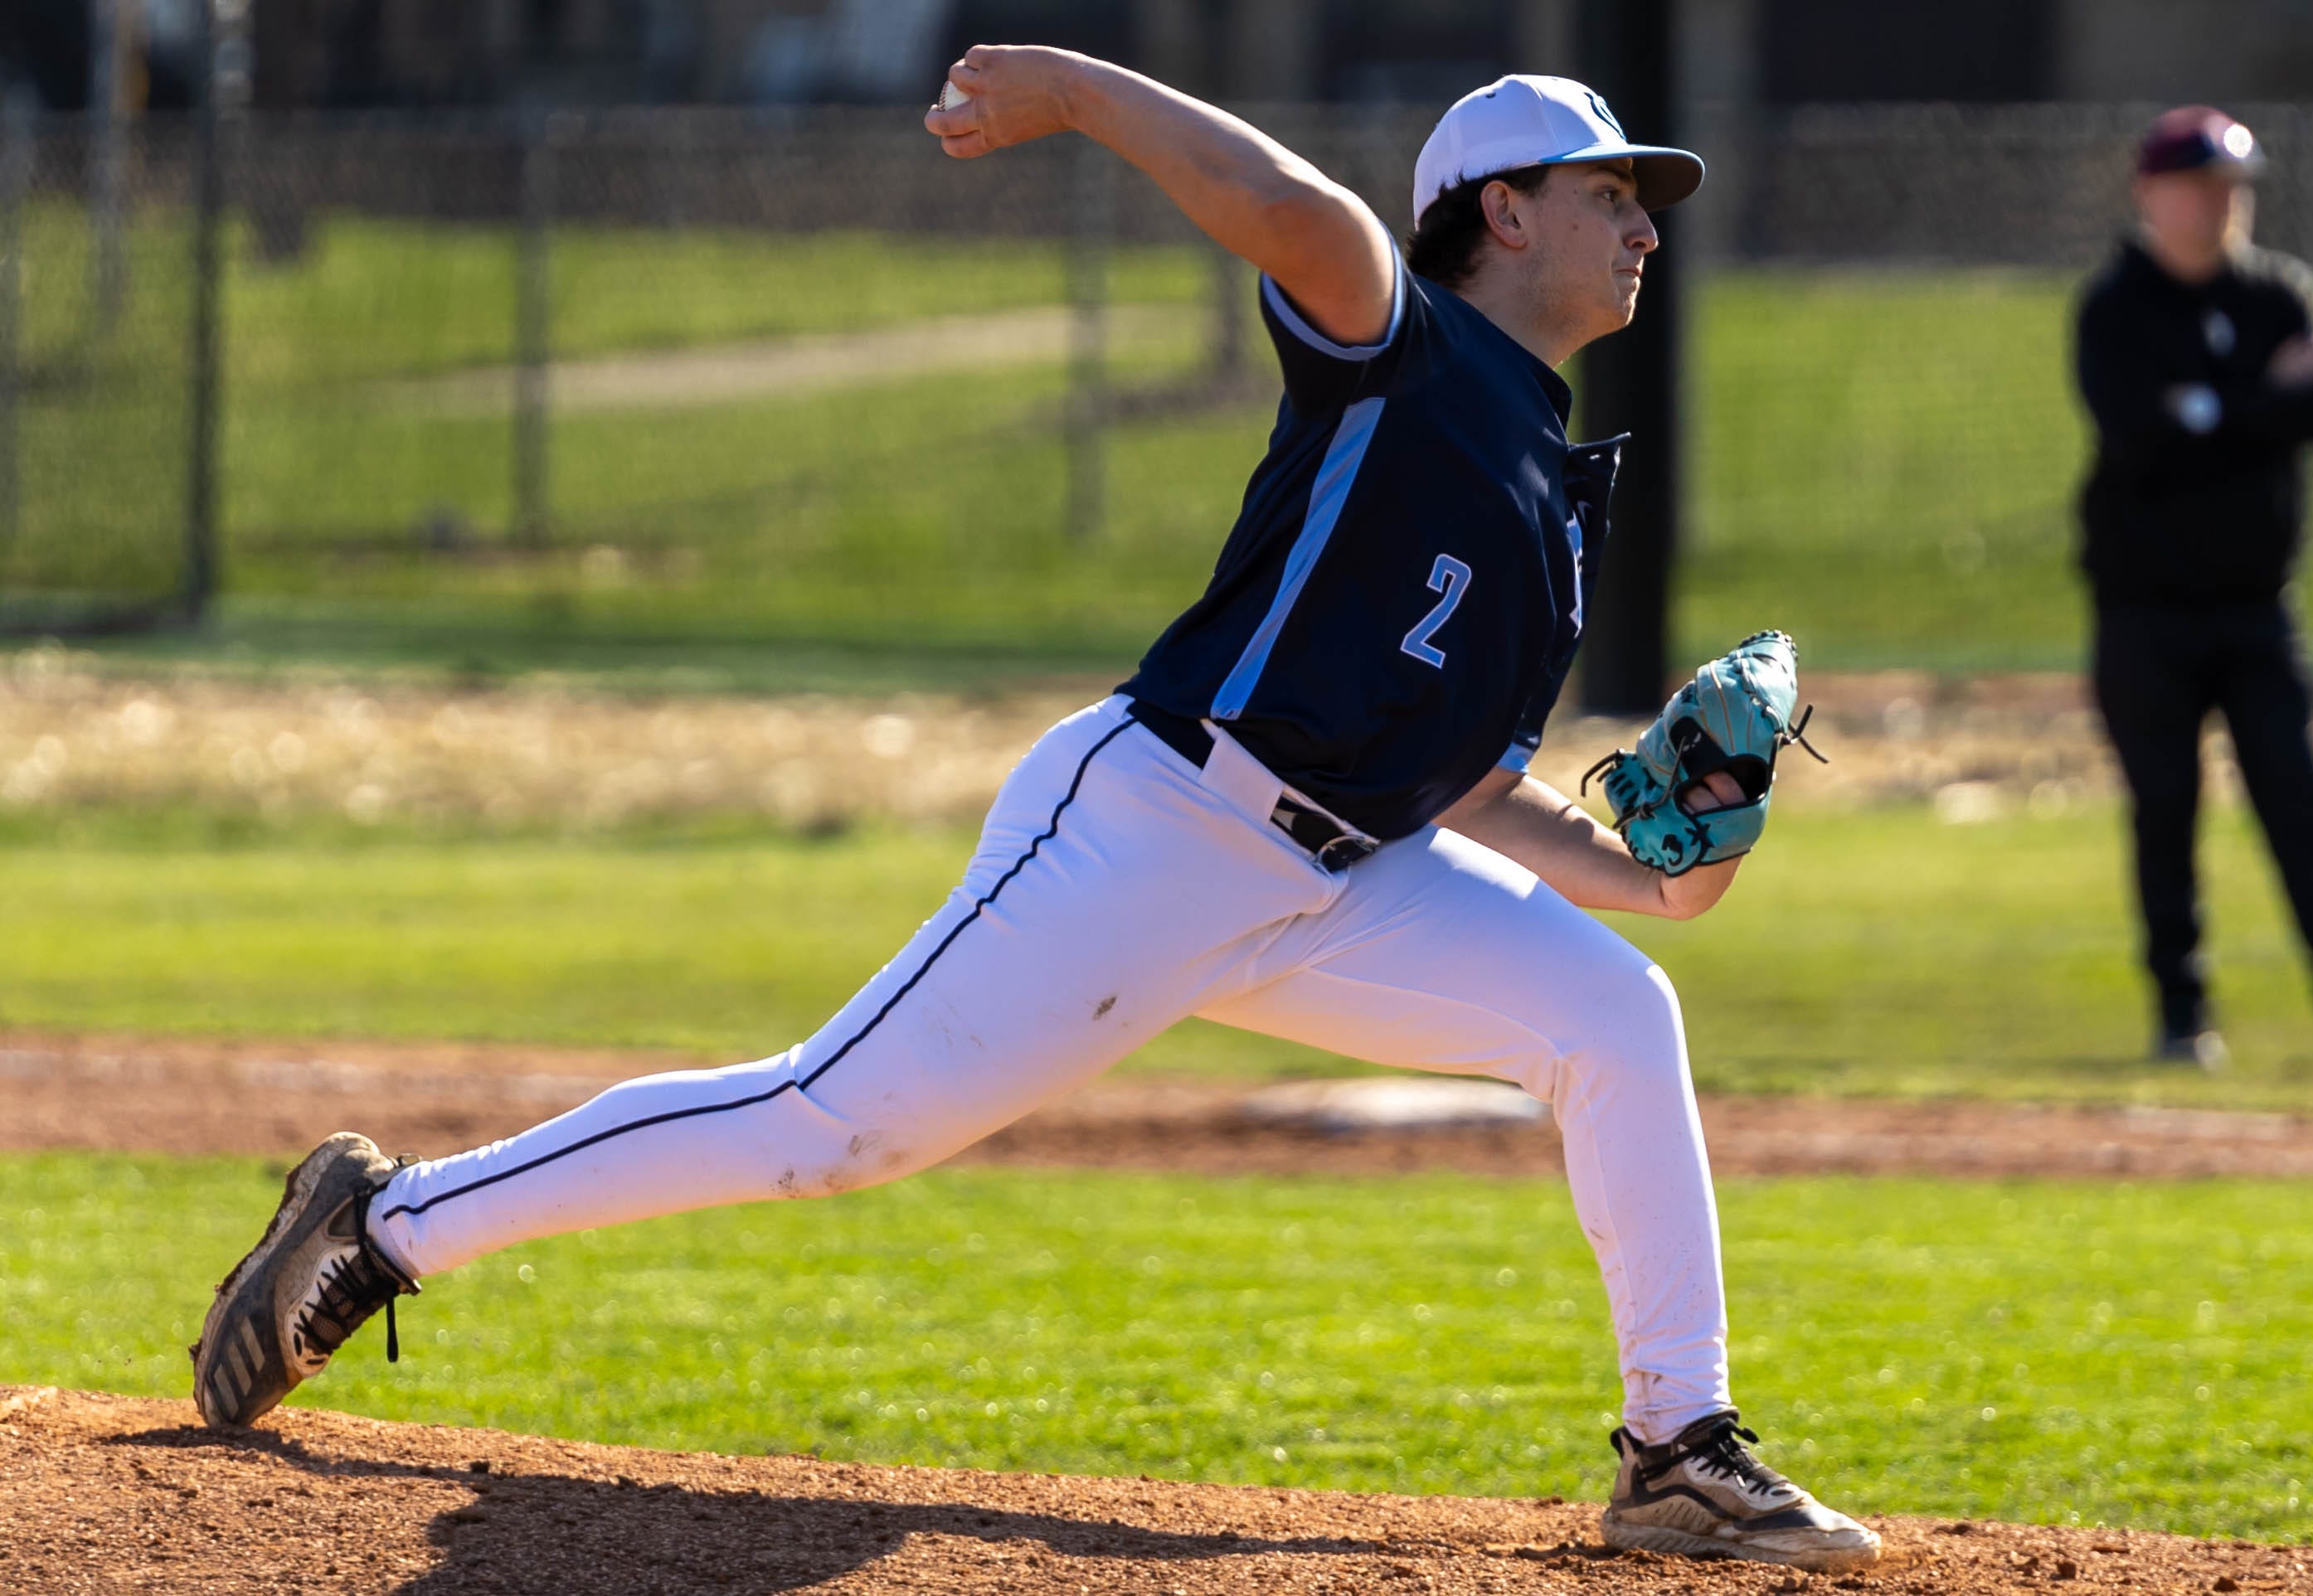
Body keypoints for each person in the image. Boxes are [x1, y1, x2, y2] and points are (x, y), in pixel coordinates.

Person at [192, 54, 1880, 1574]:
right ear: (1501, 212)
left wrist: (1653, 876)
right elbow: (1292, 209)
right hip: (1158, 827)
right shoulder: (1408, 345)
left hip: (1348, 872)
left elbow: (1460, 778)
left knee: (1613, 1006)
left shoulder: (1549, 488)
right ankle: (386, 1217)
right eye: (1611, 193)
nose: (1644, 224)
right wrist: (1070, 90)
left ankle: (1676, 1448)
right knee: (830, 1124)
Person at [2073, 105, 2313, 1068]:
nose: (2217, 206)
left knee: (2297, 809)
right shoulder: (2115, 305)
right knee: (2163, 812)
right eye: (2198, 186)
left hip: (2258, 606)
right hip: (2142, 611)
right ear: (2149, 195)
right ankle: (2181, 1017)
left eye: (2231, 188)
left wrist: (2211, 412)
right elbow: (2140, 434)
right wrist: (2260, 403)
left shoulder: (2278, 293)